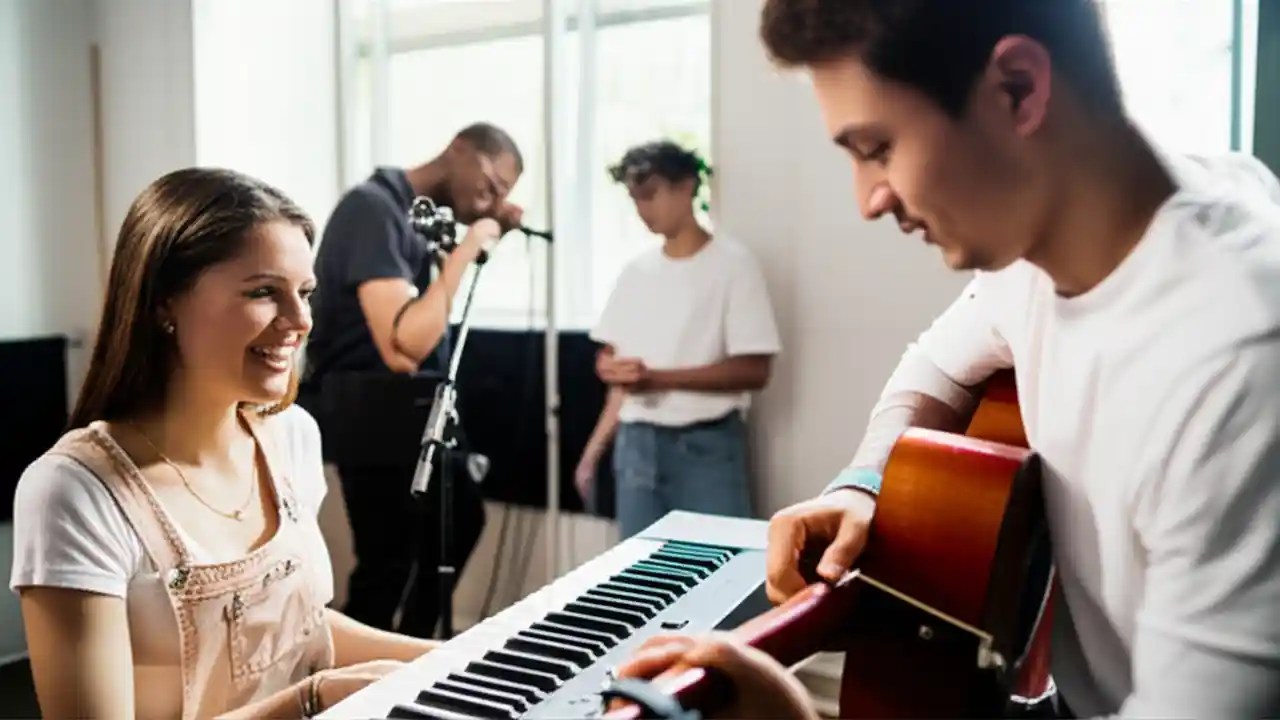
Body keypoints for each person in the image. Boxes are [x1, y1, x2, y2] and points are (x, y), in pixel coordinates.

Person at [615, 1, 1280, 718]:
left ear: (1019, 88)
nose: (868, 200)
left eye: (877, 149)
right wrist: (863, 485)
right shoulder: (1046, 241)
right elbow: (934, 366)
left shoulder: (1239, 358)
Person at [9, 168, 438, 719]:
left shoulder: (292, 437)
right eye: (264, 292)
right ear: (165, 301)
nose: (301, 320)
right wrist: (310, 700)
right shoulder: (73, 492)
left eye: (305, 293)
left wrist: (466, 656)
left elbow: (296, 628)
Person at [300, 122, 524, 638]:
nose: (489, 202)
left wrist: (477, 233)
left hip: (410, 413)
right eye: (490, 186)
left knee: (457, 523)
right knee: (386, 565)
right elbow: (404, 345)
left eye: (502, 196)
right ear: (460, 150)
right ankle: (354, 686)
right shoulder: (373, 209)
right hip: (375, 413)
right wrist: (469, 249)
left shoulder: (415, 219)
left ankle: (414, 651)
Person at [579, 140, 782, 537]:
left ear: (686, 186)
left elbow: (755, 371)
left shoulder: (733, 266)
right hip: (636, 446)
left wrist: (658, 379)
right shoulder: (635, 273)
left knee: (721, 573)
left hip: (706, 447)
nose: (643, 209)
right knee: (638, 581)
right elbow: (614, 369)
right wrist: (593, 450)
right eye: (635, 198)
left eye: (651, 194)